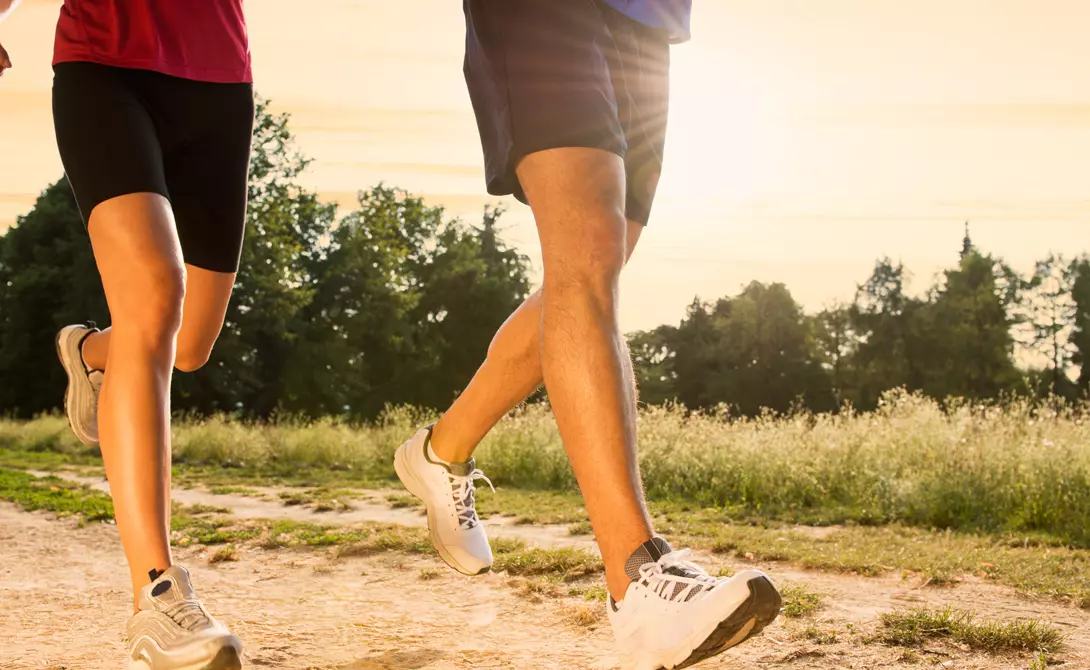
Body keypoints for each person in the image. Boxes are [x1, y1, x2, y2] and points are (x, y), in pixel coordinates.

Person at [393, 1, 783, 668]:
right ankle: (637, 584)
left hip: (648, 20)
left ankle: (441, 449)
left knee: (593, 269)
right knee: (588, 253)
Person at [0, 0, 253, 667]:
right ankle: (158, 595)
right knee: (154, 294)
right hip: (103, 65)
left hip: (219, 76)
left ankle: (89, 350)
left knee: (189, 342)